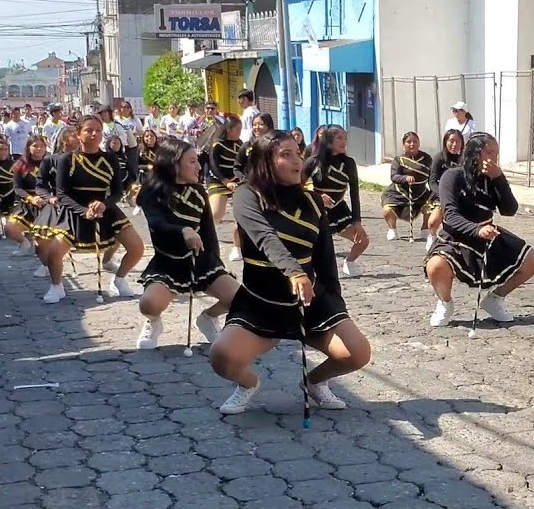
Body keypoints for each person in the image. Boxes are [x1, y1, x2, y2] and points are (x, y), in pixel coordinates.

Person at [209, 130, 371, 415]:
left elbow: (325, 259)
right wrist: (294, 271)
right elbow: (264, 237)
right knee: (221, 357)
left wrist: (336, 300)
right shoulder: (248, 195)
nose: (298, 161)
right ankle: (248, 384)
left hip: (308, 300)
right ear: (265, 162)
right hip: (261, 300)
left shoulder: (312, 202)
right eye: (286, 154)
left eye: (298, 153)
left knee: (358, 353)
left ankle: (314, 382)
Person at [423, 132, 534, 328]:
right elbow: (450, 215)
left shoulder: (493, 179)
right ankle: (444, 303)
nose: (493, 158)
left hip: (488, 235)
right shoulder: (452, 176)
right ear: (474, 152)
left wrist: (499, 179)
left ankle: (494, 299)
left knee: (533, 261)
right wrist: (476, 229)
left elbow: (510, 210)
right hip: (456, 237)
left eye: (496, 154)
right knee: (435, 266)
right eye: (489, 152)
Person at [134, 137, 240, 350]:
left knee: (240, 299)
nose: (199, 166)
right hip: (168, 262)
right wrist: (183, 230)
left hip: (200, 260)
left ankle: (208, 318)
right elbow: (157, 223)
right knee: (149, 304)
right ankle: (153, 322)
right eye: (192, 161)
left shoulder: (199, 192)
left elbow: (209, 232)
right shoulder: (152, 191)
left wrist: (216, 265)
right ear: (174, 163)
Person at [36, 114, 145, 303]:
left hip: (106, 209)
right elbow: (62, 193)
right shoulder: (66, 160)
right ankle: (57, 286)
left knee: (137, 247)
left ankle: (118, 280)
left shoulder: (110, 159)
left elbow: (118, 191)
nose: (94, 134)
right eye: (89, 130)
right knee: (55, 252)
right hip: (75, 210)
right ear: (78, 133)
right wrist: (83, 211)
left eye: (98, 130)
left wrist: (104, 204)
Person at [303, 125, 370, 277]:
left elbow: (354, 193)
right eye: (339, 138)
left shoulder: (349, 163)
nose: (344, 141)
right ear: (328, 140)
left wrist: (357, 221)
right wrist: (316, 196)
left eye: (345, 138)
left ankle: (349, 262)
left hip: (339, 210)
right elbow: (297, 187)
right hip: (316, 209)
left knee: (363, 241)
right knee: (312, 246)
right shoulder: (313, 161)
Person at [31, 125, 80, 279]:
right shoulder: (49, 161)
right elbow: (40, 186)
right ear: (64, 140)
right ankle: (48, 264)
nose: (78, 137)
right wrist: (49, 197)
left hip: (79, 204)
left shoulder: (85, 159)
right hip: (54, 204)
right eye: (74, 134)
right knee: (40, 240)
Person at [381, 132, 435, 241]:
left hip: (421, 193)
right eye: (409, 142)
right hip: (399, 193)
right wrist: (405, 178)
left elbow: (431, 177)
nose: (412, 144)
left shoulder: (427, 159)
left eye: (415, 142)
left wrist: (433, 191)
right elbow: (394, 176)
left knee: (432, 207)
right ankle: (392, 230)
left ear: (419, 143)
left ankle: (425, 229)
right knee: (387, 209)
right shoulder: (398, 160)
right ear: (403, 145)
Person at [6, 135, 49, 256]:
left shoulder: (51, 162)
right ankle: (25, 243)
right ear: (28, 148)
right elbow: (18, 188)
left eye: (42, 146)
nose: (39, 149)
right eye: (35, 146)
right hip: (26, 203)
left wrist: (47, 198)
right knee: (9, 228)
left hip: (47, 202)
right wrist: (31, 199)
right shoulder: (20, 164)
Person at [426, 129, 464, 251]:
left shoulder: (464, 160)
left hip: (459, 197)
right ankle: (431, 236)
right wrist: (443, 194)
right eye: (451, 141)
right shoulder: (439, 158)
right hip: (441, 196)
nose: (454, 145)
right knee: (433, 222)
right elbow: (432, 181)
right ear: (445, 142)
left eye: (458, 142)